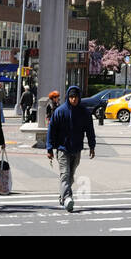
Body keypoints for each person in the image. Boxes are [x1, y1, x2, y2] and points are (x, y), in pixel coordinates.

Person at [46, 84, 95, 212]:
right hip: (62, 148)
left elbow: (90, 130)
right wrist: (49, 148)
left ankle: (63, 195)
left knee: (71, 175)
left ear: (79, 98)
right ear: (68, 97)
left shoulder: (84, 113)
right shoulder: (60, 111)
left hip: (77, 148)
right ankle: (68, 197)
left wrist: (92, 146)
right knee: (65, 174)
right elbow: (51, 130)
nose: (74, 99)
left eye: (76, 97)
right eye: (71, 97)